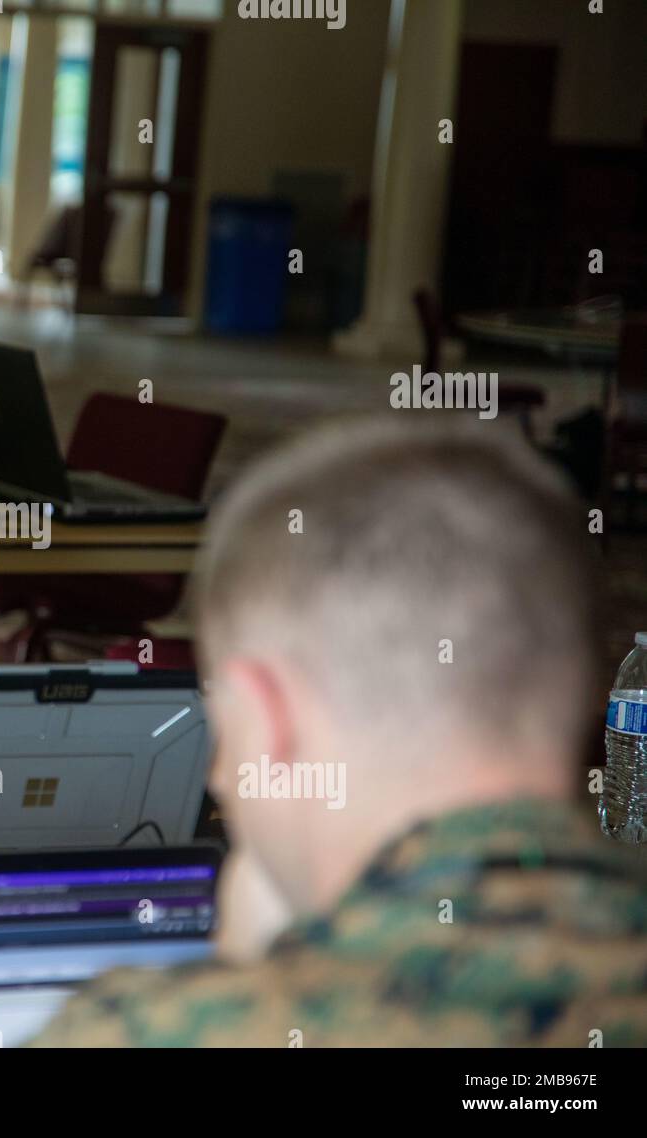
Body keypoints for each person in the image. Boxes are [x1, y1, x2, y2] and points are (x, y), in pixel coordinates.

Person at [32, 417, 647, 1047]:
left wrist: (238, 983)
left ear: (264, 717)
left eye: (223, 737)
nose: (218, 776)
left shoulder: (141, 1032)